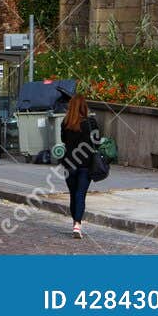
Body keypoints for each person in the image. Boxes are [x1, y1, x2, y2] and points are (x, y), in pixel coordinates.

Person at [58, 92, 103, 239]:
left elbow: (64, 140)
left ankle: (74, 223)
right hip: (86, 163)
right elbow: (96, 142)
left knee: (73, 194)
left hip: (69, 163)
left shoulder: (65, 123)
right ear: (84, 107)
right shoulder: (90, 123)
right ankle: (77, 223)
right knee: (80, 195)